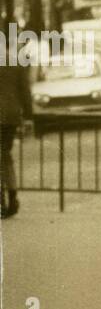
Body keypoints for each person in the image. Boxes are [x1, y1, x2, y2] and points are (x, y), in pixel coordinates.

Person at [0, 57, 33, 218]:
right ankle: (12, 197)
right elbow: (25, 91)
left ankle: (3, 200)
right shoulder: (15, 61)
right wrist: (28, 116)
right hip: (10, 116)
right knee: (5, 155)